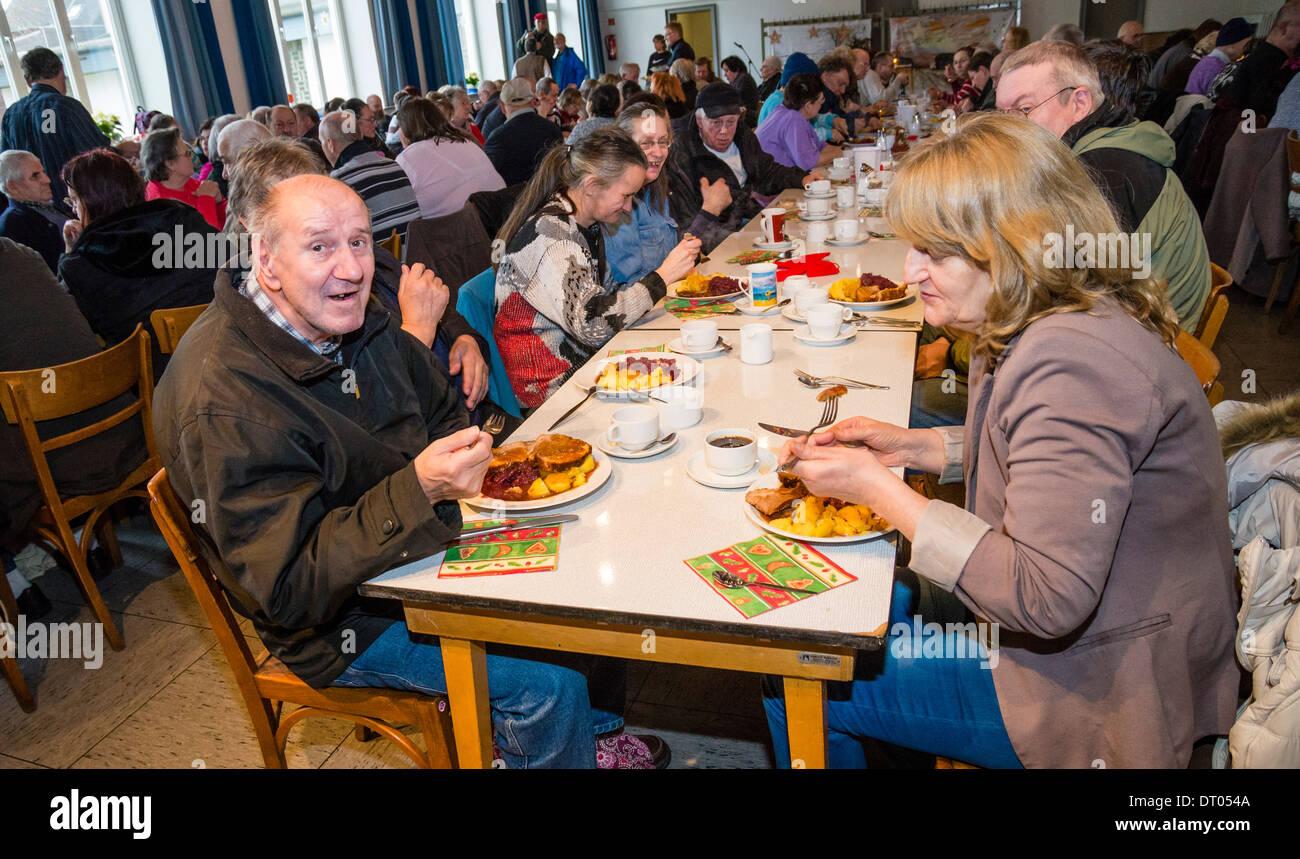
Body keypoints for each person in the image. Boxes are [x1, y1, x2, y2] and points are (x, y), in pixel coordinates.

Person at [762, 113, 1238, 769]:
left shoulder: (1071, 363)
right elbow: (1039, 456)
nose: (909, 269)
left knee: (799, 670)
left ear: (1015, 247)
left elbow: (1045, 597)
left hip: (1098, 684)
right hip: (1102, 637)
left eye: (935, 252)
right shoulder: (1048, 313)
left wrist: (876, 489)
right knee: (870, 597)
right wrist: (909, 448)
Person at [153, 172, 654, 768]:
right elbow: (287, 591)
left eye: (360, 242)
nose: (352, 268)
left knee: (588, 567)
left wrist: (464, 460)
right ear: (265, 260)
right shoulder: (226, 405)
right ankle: (555, 730)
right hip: (341, 623)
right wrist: (418, 488)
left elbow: (438, 404)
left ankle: (589, 738)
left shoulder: (350, 314)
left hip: (411, 540)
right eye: (320, 246)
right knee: (547, 683)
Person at [997, 39, 1212, 331]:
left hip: (1149, 346)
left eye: (1024, 109)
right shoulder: (1106, 145)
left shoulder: (1107, 172)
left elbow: (1054, 295)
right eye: (1002, 114)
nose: (1008, 128)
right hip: (1121, 325)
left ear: (1079, 103)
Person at [494, 128, 700, 408]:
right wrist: (661, 278)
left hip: (586, 372)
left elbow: (607, 296)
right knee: (684, 396)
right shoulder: (552, 240)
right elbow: (593, 326)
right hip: (556, 398)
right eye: (626, 195)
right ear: (591, 185)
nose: (629, 207)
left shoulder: (583, 224)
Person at [0, 239, 146, 616]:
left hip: (58, 467)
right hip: (127, 435)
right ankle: (86, 543)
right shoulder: (26, 255)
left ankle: (18, 588)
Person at [59, 148, 218, 377]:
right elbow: (232, 268)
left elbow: (75, 332)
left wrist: (68, 252)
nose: (73, 210)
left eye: (74, 201)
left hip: (156, 382)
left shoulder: (81, 264)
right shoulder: (182, 218)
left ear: (91, 202)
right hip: (227, 354)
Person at [668, 82, 820, 250]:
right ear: (699, 120)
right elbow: (687, 228)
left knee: (808, 236)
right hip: (714, 239)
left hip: (748, 223)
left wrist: (802, 178)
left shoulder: (742, 135)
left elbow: (766, 171)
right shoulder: (682, 154)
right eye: (716, 123)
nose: (725, 131)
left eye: (731, 122)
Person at [604, 95, 733, 284]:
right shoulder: (617, 204)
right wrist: (709, 212)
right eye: (646, 143)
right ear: (623, 147)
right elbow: (624, 292)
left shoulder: (654, 189)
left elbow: (675, 253)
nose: (658, 152)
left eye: (663, 142)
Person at [0, 48, 111, 204]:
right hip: (72, 202)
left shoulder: (11, 114)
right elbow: (96, 154)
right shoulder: (65, 107)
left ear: (27, 80)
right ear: (61, 70)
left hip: (30, 209)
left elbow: (6, 166)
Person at [318, 110, 420, 243]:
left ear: (330, 144)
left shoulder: (339, 181)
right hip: (416, 253)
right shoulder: (393, 165)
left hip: (385, 261)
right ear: (360, 134)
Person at [395, 98, 505, 219]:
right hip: (501, 218)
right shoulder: (464, 142)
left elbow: (401, 212)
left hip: (461, 230)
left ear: (407, 128)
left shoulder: (407, 158)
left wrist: (407, 148)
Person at [143, 126, 228, 230]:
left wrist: (219, 202)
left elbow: (228, 225)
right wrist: (206, 199)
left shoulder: (185, 182)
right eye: (187, 153)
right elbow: (206, 241)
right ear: (170, 164)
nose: (192, 157)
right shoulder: (162, 205)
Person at [485, 78, 564, 187]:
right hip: (550, 197)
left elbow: (489, 181)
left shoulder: (498, 137)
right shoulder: (553, 129)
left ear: (502, 107)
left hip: (514, 201)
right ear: (533, 102)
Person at [0, 149, 70, 271]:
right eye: (35, 176)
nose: (47, 180)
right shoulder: (14, 223)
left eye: (43, 172)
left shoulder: (47, 207)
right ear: (12, 186)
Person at [755, 74, 833, 171]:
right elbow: (808, 162)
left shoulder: (787, 112)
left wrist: (842, 151)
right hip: (771, 181)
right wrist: (842, 154)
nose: (821, 106)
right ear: (808, 105)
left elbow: (819, 146)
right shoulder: (793, 119)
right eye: (821, 101)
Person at [1186, 18, 1254, 95]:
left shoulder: (1208, 61)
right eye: (1246, 45)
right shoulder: (1216, 67)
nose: (1246, 49)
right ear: (1232, 44)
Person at [721, 56, 759, 127]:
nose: (725, 75)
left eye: (727, 71)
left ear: (736, 69)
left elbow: (733, 100)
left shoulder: (744, 80)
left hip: (747, 118)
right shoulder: (739, 80)